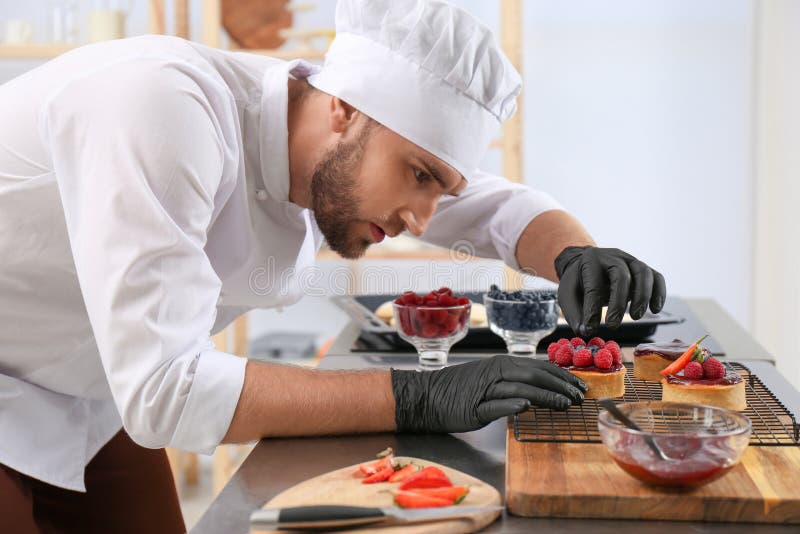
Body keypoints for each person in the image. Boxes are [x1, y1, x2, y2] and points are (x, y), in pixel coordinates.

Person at [0, 0, 665, 531]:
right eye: (420, 175)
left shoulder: (329, 147)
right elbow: (166, 392)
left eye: (441, 187)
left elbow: (499, 207)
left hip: (83, 393)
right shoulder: (163, 109)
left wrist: (576, 252)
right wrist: (420, 398)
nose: (422, 219)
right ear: (343, 107)